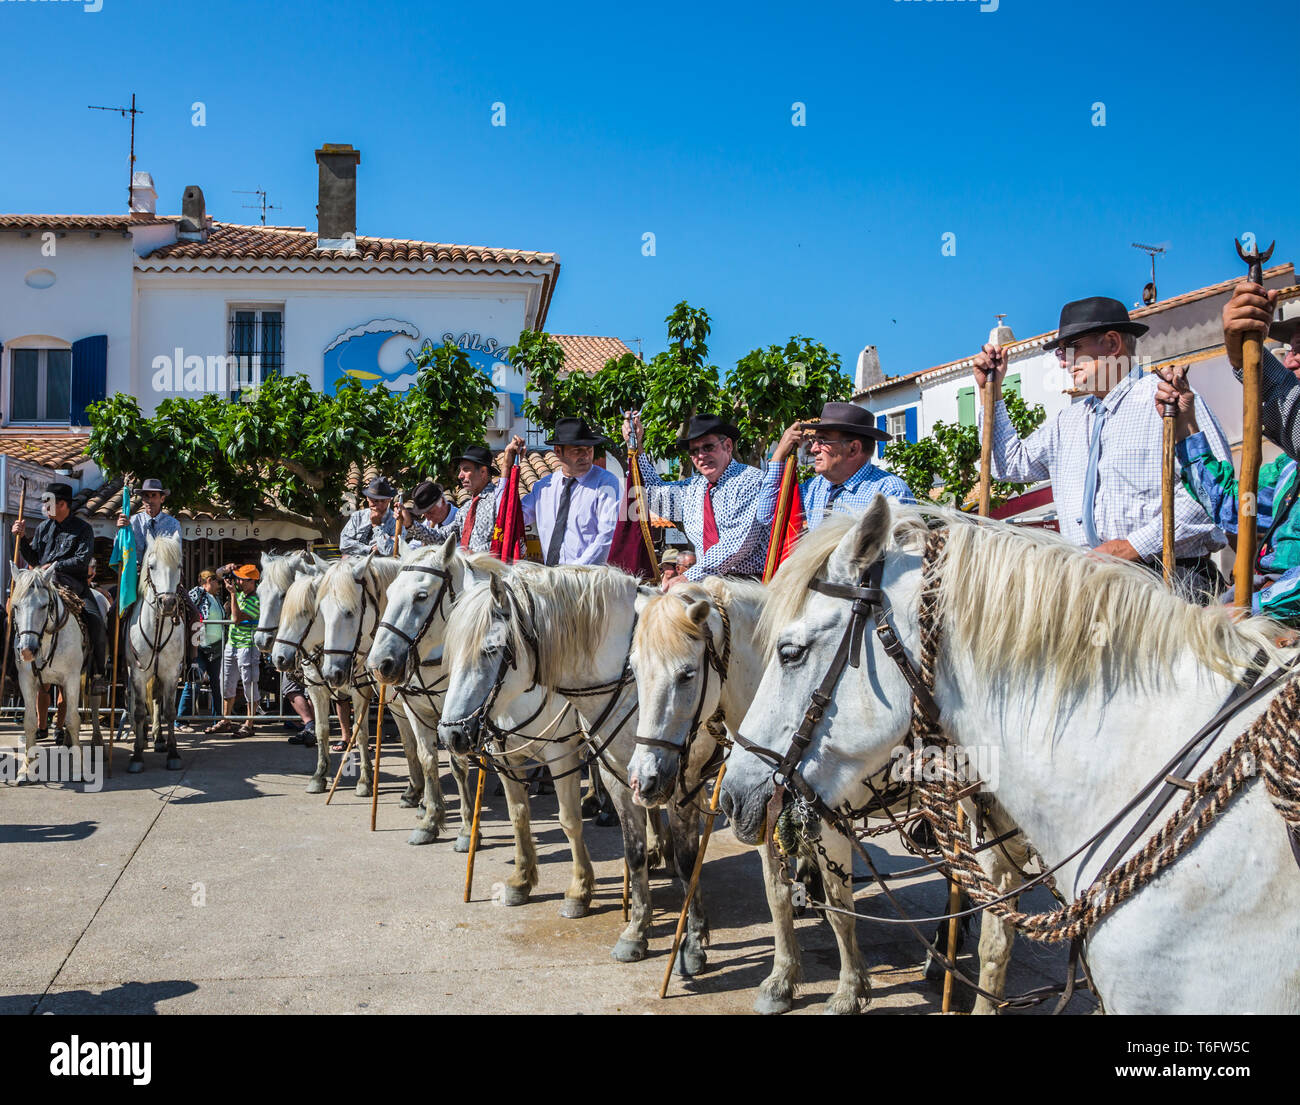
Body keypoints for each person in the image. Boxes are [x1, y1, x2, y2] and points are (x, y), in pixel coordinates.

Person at [974, 296, 1231, 598]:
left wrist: (1133, 546)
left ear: (1111, 344)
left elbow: (1213, 497)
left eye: (1072, 348)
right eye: (1060, 351)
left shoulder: (1169, 401)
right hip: (1094, 589)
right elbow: (1007, 464)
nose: (1062, 361)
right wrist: (990, 393)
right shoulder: (1067, 422)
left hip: (1168, 583)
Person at [1155, 362, 1300, 624]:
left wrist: (1251, 606)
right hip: (1259, 601)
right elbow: (1230, 506)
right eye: (1291, 349)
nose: (1290, 361)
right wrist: (1185, 424)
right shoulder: (1288, 467)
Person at [622, 413, 769, 581]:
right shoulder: (693, 488)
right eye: (694, 451)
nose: (700, 456)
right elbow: (651, 493)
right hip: (706, 583)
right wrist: (635, 444)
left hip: (748, 584)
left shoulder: (750, 480)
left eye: (708, 447)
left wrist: (687, 578)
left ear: (728, 446)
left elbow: (736, 546)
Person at [758, 400, 915, 531]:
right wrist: (778, 456)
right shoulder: (814, 488)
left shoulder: (890, 491)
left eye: (823, 441)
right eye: (814, 441)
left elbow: (902, 557)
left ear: (853, 449)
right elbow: (768, 516)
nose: (813, 449)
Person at [11, 482, 106, 695]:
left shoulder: (83, 529)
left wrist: (53, 566)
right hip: (44, 585)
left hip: (74, 585)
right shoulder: (44, 528)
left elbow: (82, 561)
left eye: (48, 502)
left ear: (62, 504)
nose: (44, 506)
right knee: (15, 615)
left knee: (96, 619)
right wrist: (22, 538)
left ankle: (99, 674)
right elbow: (33, 557)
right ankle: (11, 670)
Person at [504, 418, 621, 565]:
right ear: (558, 451)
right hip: (553, 581)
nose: (585, 455)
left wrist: (573, 574)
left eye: (589, 449)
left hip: (589, 581)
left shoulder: (606, 483)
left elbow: (607, 535)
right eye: (578, 450)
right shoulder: (543, 488)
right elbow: (509, 519)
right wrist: (507, 469)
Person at [1218, 282, 1300, 462]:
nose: (1288, 362)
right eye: (1289, 350)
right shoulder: (1285, 470)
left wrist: (1246, 359)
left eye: (1298, 350)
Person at [206, 564, 260, 739]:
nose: (238, 582)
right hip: (232, 644)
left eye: (242, 579)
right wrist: (225, 570)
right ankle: (226, 720)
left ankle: (249, 723)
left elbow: (236, 619)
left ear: (252, 582)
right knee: (226, 682)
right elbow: (219, 574)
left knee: (249, 684)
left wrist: (233, 595)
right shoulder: (241, 594)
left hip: (248, 646)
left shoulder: (256, 599)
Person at [178, 569, 225, 730]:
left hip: (216, 648)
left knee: (217, 685)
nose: (218, 585)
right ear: (208, 581)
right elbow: (189, 604)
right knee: (193, 683)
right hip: (199, 647)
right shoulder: (199, 593)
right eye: (216, 582)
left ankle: (218, 720)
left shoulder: (216, 598)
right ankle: (181, 720)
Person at [446, 444, 504, 553]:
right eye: (460, 470)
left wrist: (473, 553)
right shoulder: (466, 508)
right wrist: (411, 525)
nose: (460, 476)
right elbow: (444, 535)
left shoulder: (498, 500)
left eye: (466, 470)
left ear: (483, 472)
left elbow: (506, 539)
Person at [117, 477, 182, 556]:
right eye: (146, 496)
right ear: (142, 500)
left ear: (162, 499)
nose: (150, 500)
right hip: (136, 567)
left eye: (154, 495)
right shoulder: (132, 522)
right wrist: (121, 531)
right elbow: (120, 549)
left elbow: (176, 554)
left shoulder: (173, 525)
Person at [340, 478, 398, 556]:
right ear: (367, 498)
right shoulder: (357, 516)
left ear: (389, 500)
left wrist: (376, 526)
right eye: (375, 501)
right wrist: (370, 549)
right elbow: (344, 544)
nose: (379, 504)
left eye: (383, 500)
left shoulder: (396, 520)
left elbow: (389, 551)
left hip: (380, 565)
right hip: (354, 561)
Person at [400, 480, 458, 548]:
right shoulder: (429, 521)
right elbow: (416, 543)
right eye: (424, 514)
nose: (428, 518)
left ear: (442, 502)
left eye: (430, 512)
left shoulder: (460, 519)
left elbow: (442, 539)